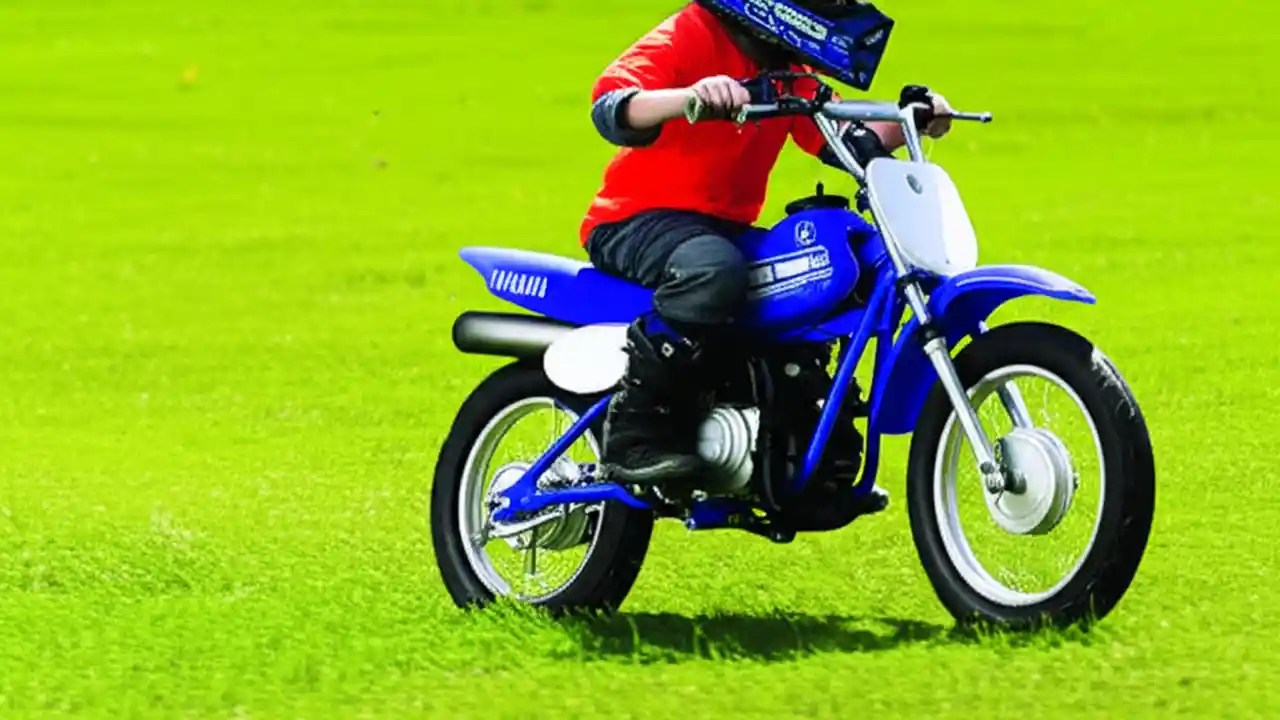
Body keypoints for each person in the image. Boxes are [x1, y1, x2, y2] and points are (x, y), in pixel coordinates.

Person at [581, 0, 954, 484]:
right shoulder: (691, 31)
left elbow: (845, 140)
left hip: (722, 228)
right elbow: (612, 105)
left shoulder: (789, 73)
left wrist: (911, 121)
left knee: (823, 269)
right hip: (637, 217)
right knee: (714, 271)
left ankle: (800, 429)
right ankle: (635, 433)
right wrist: (690, 95)